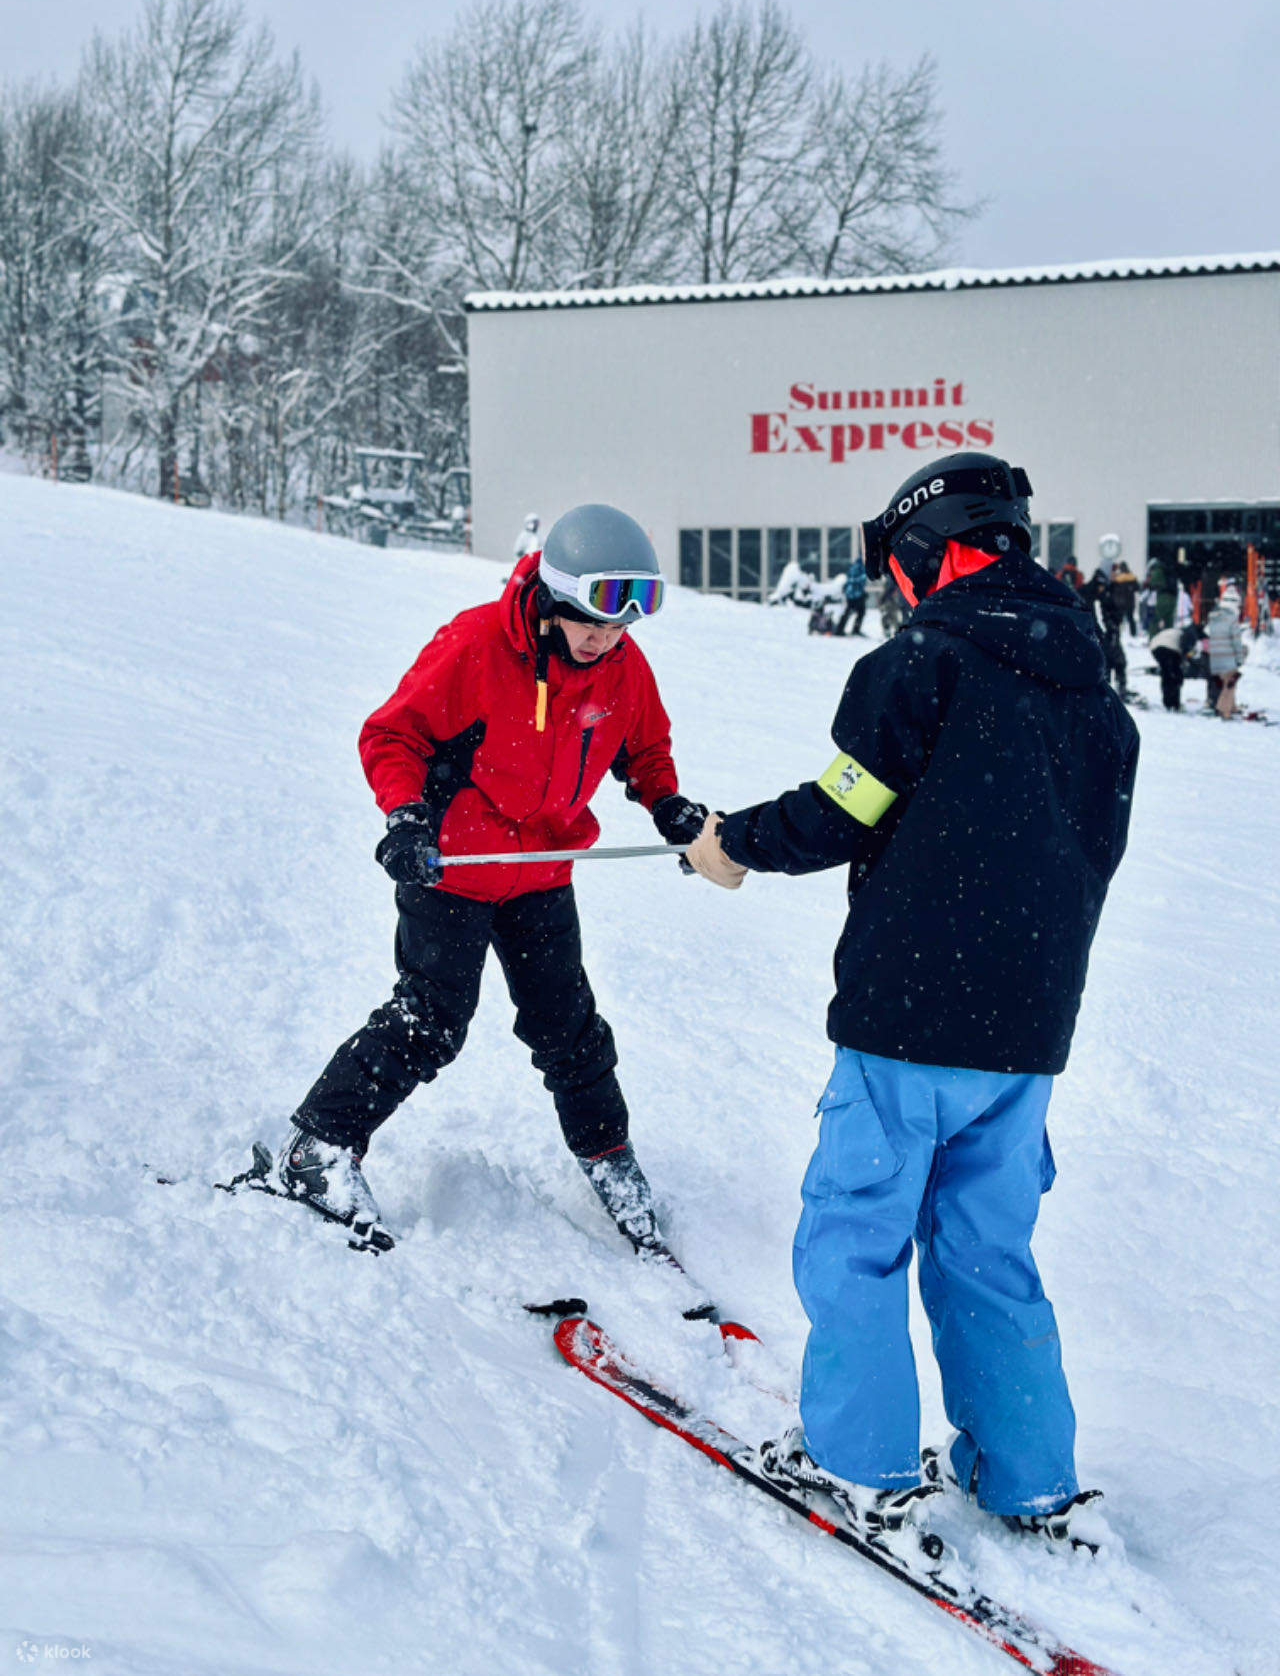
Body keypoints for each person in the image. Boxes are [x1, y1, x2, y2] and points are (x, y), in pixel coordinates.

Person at [686, 451, 1139, 1545]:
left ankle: (857, 1460)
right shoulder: (1096, 695)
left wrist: (731, 842)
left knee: (854, 1236)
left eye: (899, 565)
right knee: (987, 1247)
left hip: (906, 1018)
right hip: (1027, 1033)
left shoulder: (923, 659)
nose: (896, 589)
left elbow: (847, 804)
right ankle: (1027, 1475)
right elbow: (1088, 851)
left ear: (927, 552)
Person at [277, 505, 708, 1248]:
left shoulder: (621, 666)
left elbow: (646, 747)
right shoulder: (477, 644)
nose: (609, 638)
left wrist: (667, 805)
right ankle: (317, 1147)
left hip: (540, 870)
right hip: (451, 864)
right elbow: (391, 734)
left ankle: (609, 1159)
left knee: (569, 1028)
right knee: (432, 1020)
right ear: (555, 599)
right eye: (595, 620)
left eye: (625, 623)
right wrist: (406, 819)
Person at [1081, 567, 1128, 695]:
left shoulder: (1094, 594)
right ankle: (1110, 690)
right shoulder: (1095, 597)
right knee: (1112, 661)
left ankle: (1109, 690)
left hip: (1104, 635)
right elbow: (1099, 619)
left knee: (1111, 662)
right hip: (1103, 636)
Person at [1206, 585, 1246, 718]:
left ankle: (1232, 707)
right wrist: (1240, 659)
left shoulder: (1214, 617)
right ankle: (1224, 711)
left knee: (1225, 683)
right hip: (1228, 657)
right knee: (1229, 685)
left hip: (1214, 657)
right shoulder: (1232, 620)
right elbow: (1236, 642)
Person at [1149, 620, 1203, 711]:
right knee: (1175, 676)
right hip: (1170, 648)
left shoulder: (1178, 631)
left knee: (1166, 674)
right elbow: (1186, 649)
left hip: (1155, 647)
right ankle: (1174, 703)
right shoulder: (1190, 634)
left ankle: (1168, 702)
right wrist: (1192, 662)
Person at [834, 555, 868, 637]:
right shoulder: (858, 567)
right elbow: (856, 580)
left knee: (856, 612)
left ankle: (843, 629)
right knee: (857, 611)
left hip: (853, 593)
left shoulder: (858, 566)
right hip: (854, 594)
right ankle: (843, 630)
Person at [1144, 557, 1177, 634]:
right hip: (1173, 598)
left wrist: (1147, 584)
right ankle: (1169, 639)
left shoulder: (1157, 571)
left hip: (1163, 597)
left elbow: (1151, 585)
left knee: (1155, 619)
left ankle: (1153, 639)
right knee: (1169, 621)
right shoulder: (1168, 571)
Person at [1111, 559, 1138, 637]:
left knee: (1119, 620)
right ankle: (1133, 634)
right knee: (1131, 619)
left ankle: (1118, 634)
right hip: (1130, 602)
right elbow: (1137, 588)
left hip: (1120, 603)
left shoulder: (1118, 577)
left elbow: (1113, 589)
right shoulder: (1132, 577)